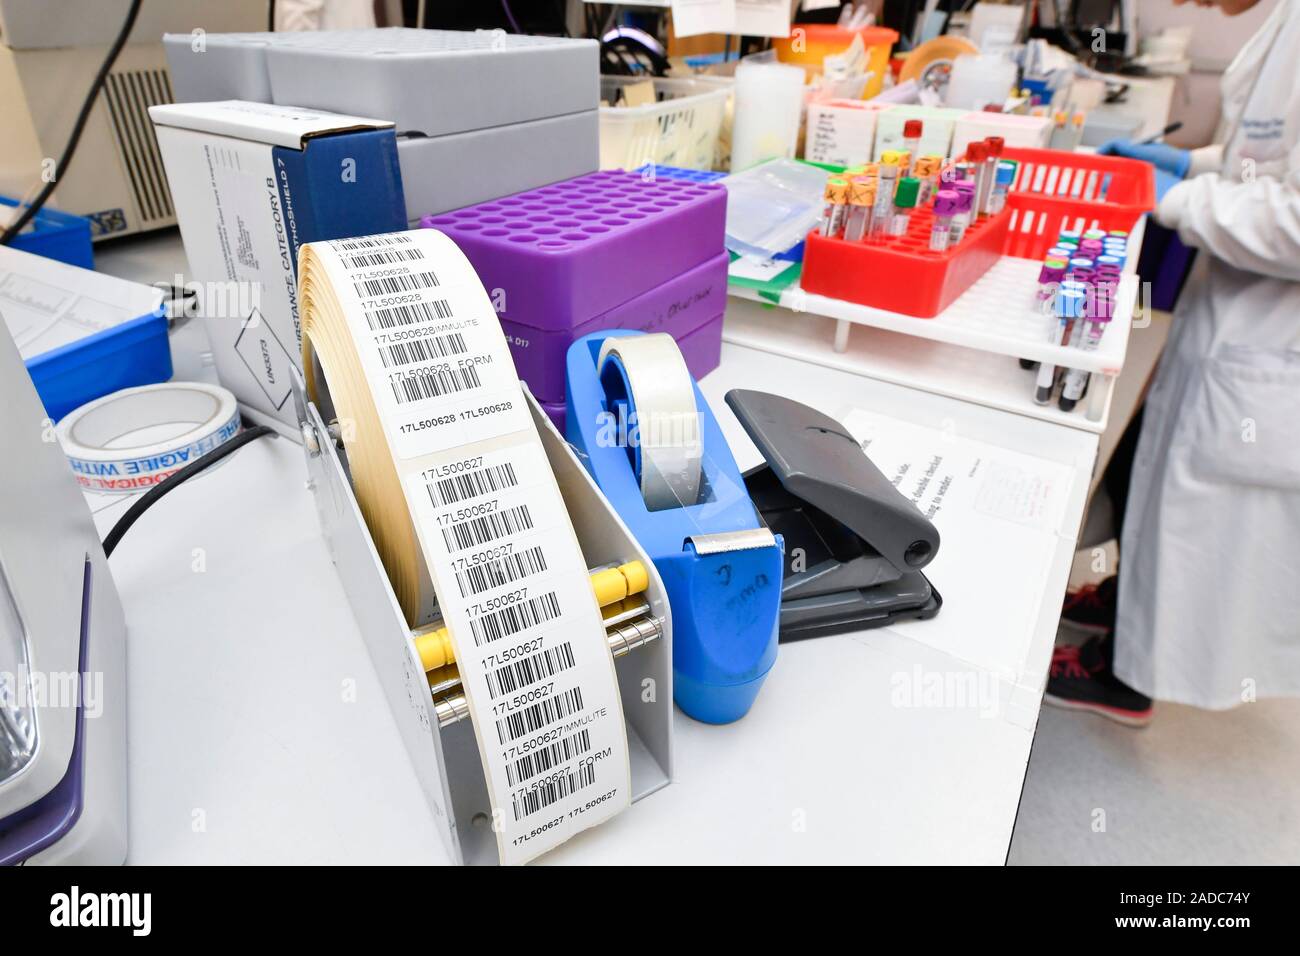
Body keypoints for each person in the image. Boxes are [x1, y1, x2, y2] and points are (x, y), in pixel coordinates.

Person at [1046, 0, 1300, 724]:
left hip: (1271, 331)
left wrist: (1181, 199)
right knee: (1158, 463)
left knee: (1199, 498)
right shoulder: (1283, 20)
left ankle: (1126, 673)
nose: (1187, 3)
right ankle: (1129, 607)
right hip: (1231, 309)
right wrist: (1194, 163)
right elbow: (1269, 157)